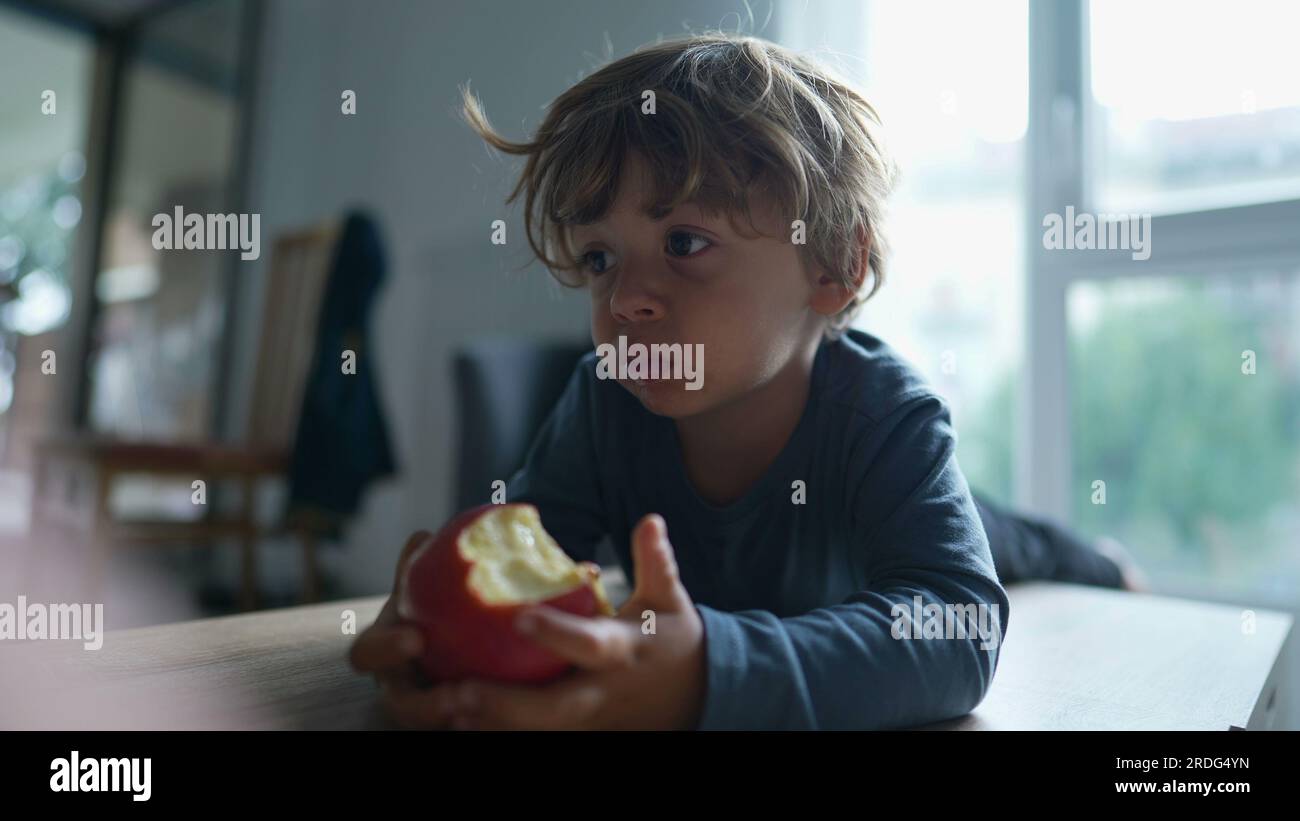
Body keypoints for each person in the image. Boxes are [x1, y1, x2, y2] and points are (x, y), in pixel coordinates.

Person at [350, 33, 1143, 730]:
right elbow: (522, 553)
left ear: (833, 265)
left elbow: (956, 626)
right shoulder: (603, 400)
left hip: (897, 512)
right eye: (600, 258)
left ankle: (1101, 558)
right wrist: (438, 630)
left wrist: (709, 675)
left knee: (1008, 539)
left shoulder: (886, 416)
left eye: (685, 242)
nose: (625, 297)